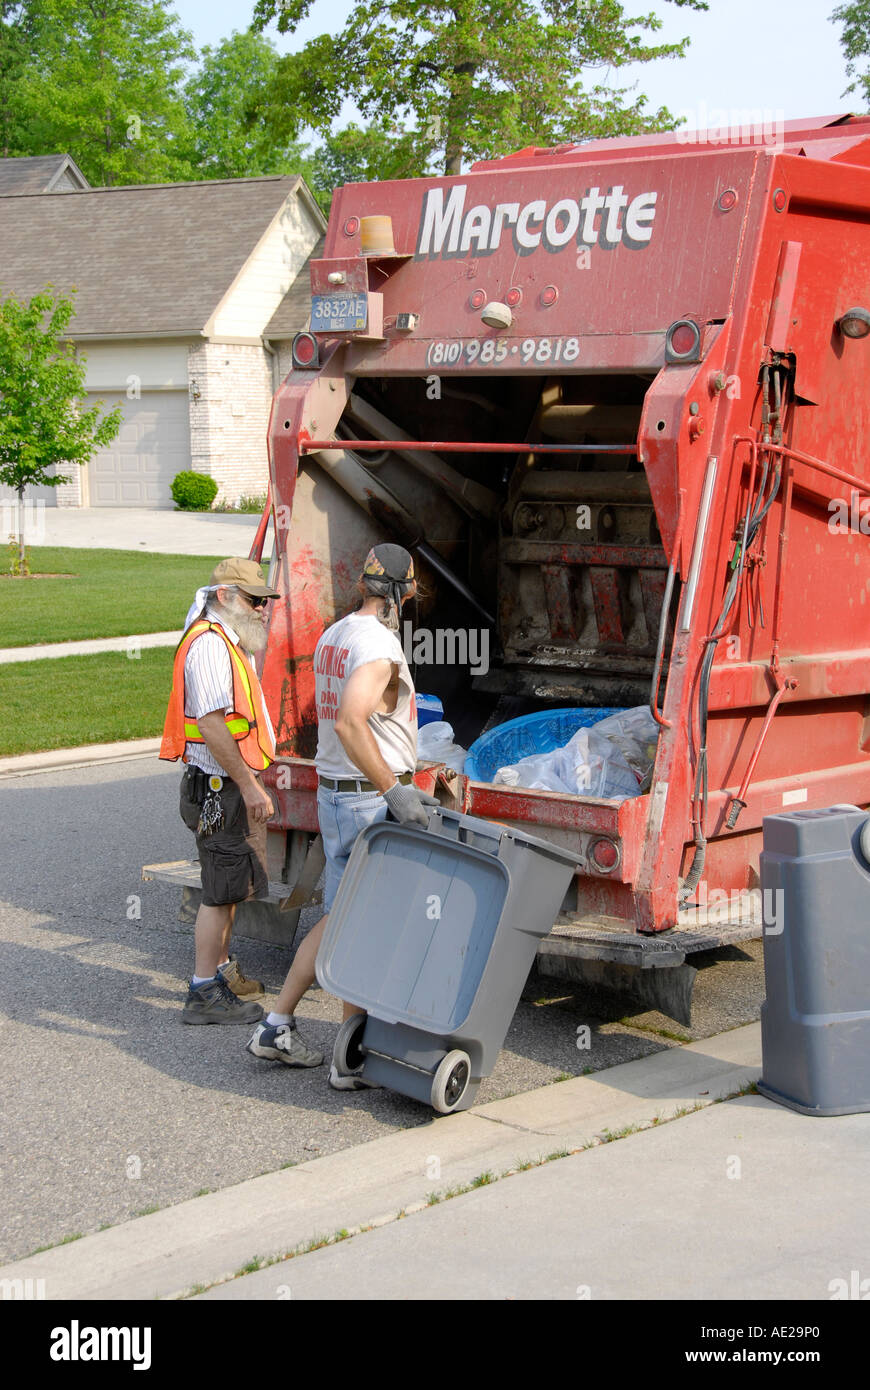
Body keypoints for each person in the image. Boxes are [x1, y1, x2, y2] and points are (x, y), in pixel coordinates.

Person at [246, 543, 438, 1086]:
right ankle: (278, 1023)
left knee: (354, 920)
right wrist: (393, 790)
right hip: (366, 800)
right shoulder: (378, 646)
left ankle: (348, 1054)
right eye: (414, 588)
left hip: (338, 793)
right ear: (400, 592)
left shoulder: (336, 635)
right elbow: (353, 723)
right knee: (351, 920)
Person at [160, 557, 286, 1029]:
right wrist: (251, 786)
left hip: (221, 787)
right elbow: (214, 726)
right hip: (220, 790)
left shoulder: (227, 643)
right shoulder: (211, 647)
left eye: (266, 602)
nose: (263, 610)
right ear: (226, 597)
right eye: (255, 601)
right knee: (218, 892)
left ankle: (220, 975)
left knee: (228, 887)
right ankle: (202, 992)